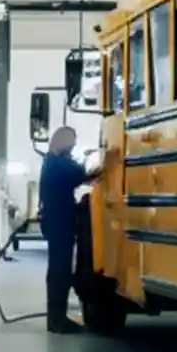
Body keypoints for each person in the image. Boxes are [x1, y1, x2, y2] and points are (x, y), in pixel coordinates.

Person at [38, 126, 102, 334]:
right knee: (60, 272)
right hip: (59, 223)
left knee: (58, 270)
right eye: (72, 141)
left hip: (56, 221)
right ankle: (57, 321)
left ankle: (56, 319)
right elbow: (80, 173)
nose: (74, 145)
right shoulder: (58, 164)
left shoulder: (52, 161)